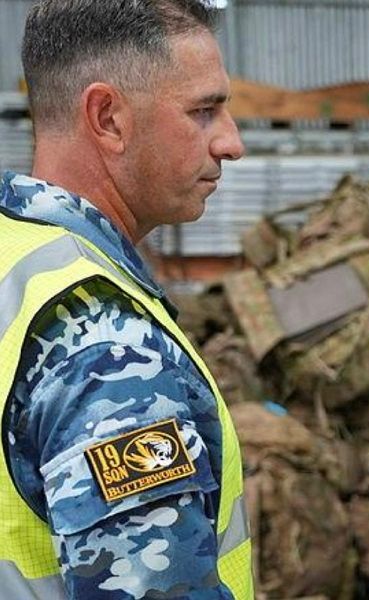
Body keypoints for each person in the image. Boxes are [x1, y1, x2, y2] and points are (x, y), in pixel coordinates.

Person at [0, 1, 250, 598]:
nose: (232, 143)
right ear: (108, 117)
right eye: (204, 111)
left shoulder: (15, 252)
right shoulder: (104, 344)